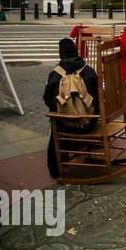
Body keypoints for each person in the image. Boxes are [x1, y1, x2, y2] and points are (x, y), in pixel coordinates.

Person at [44, 37, 100, 180]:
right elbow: (98, 100)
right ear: (76, 52)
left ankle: (55, 169)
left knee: (54, 122)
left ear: (61, 54)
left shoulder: (55, 74)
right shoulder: (89, 72)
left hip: (65, 124)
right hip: (89, 123)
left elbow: (47, 100)